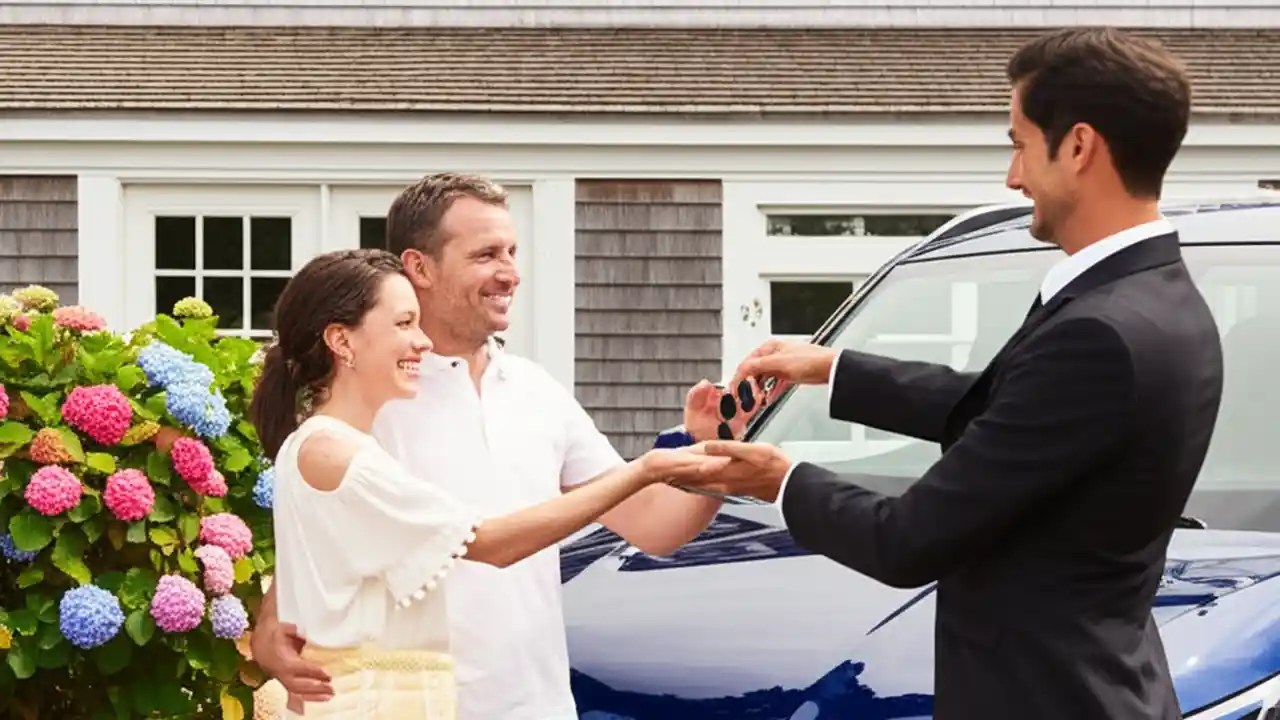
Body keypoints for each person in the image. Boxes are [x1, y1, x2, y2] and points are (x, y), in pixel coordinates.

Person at [667, 27, 1223, 720]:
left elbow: (908, 540)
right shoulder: (1160, 298)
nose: (1012, 177)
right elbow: (1008, 413)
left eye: (1019, 145)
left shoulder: (1101, 330)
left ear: (1078, 147)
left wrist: (776, 479)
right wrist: (832, 368)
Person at [249, 173, 758, 719]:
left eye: (513, 252)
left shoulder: (538, 392)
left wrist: (713, 453)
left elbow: (658, 527)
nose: (510, 273)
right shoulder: (374, 399)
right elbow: (331, 529)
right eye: (487, 254)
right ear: (420, 266)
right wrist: (273, 617)